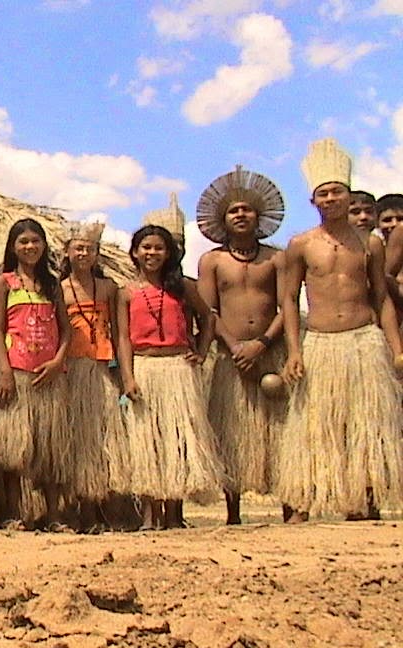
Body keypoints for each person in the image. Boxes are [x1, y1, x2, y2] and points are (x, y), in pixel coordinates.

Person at [278, 138, 403, 521]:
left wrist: (395, 348)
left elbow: (382, 298)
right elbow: (288, 300)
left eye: (337, 192)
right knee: (315, 424)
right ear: (314, 201)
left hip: (364, 339)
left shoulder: (371, 244)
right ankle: (306, 499)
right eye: (323, 193)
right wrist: (295, 351)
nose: (331, 198)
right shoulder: (300, 244)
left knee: (367, 422)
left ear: (349, 197)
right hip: (320, 341)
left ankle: (365, 500)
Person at [194, 166, 289, 525]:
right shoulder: (212, 261)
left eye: (246, 209)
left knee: (279, 431)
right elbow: (208, 311)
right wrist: (234, 346)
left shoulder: (276, 258)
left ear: (258, 214)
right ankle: (233, 513)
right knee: (231, 431)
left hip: (270, 352)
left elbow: (287, 306)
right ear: (223, 218)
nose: (240, 215)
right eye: (233, 210)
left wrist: (263, 343)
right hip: (230, 357)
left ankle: (288, 508)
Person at [117, 224, 222, 529]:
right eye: (146, 248)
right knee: (147, 441)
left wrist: (200, 353)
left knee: (177, 441)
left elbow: (208, 319)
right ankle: (150, 516)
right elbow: (122, 338)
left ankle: (175, 515)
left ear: (169, 252)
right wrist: (128, 377)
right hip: (144, 368)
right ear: (135, 252)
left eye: (158, 248)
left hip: (178, 367)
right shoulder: (126, 292)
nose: (152, 253)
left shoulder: (184, 287)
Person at [0, 219, 72, 528]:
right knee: (12, 448)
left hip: (49, 375)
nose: (30, 246)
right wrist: (4, 371)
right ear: (13, 247)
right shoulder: (4, 283)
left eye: (35, 241)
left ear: (44, 245)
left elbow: (66, 331)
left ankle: (53, 515)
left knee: (49, 448)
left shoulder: (52, 285)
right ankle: (12, 513)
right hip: (17, 372)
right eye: (23, 241)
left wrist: (58, 361)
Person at [59, 221, 124, 530]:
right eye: (78, 248)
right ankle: (75, 509)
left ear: (98, 254)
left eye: (90, 249)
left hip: (101, 370)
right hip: (72, 369)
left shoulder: (109, 288)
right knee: (74, 440)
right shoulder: (59, 289)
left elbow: (121, 331)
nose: (83, 253)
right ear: (67, 252)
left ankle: (101, 507)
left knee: (102, 440)